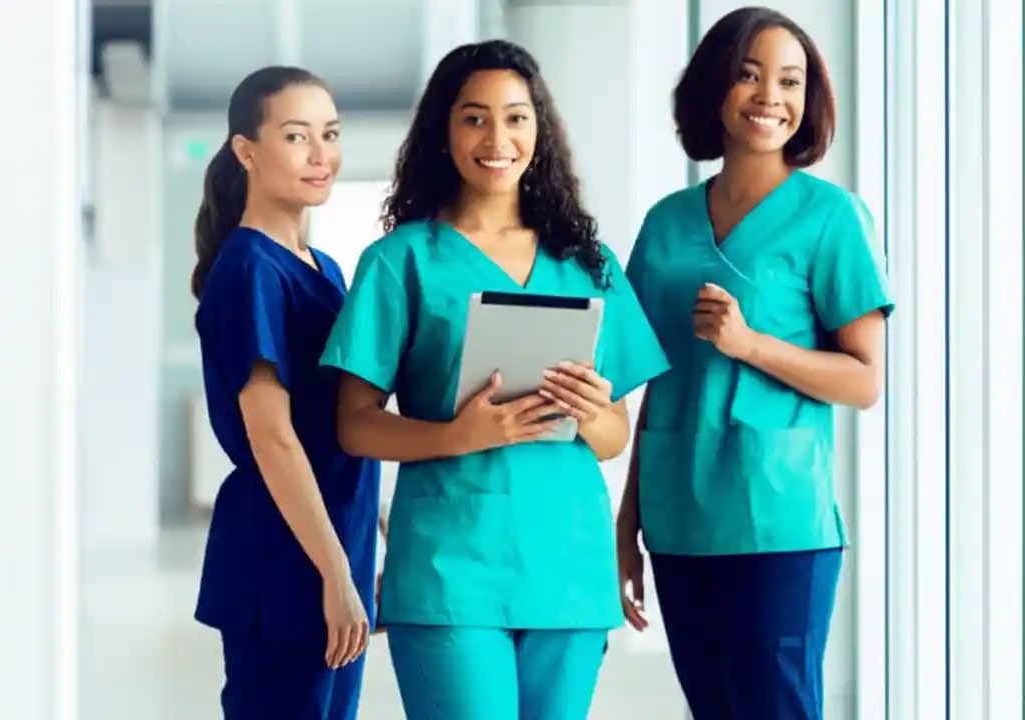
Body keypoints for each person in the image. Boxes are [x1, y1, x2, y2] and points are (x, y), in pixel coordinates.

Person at [320, 40, 668, 719]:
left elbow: (612, 436)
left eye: (516, 117)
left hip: (567, 566)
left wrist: (594, 409)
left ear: (539, 130)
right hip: (453, 567)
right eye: (474, 118)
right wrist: (458, 435)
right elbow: (354, 423)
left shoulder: (588, 263)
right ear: (443, 133)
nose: (497, 138)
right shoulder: (400, 261)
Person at [616, 8, 895, 720]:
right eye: (749, 75)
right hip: (679, 521)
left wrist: (751, 345)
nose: (771, 96)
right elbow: (655, 378)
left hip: (779, 523)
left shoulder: (832, 218)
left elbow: (864, 380)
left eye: (790, 81)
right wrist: (628, 523)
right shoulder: (667, 224)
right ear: (714, 87)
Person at [191, 66, 380, 720]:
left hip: (332, 541)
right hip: (284, 557)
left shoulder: (323, 269)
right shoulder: (248, 271)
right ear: (247, 151)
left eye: (329, 134)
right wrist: (335, 573)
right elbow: (272, 435)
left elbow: (337, 424)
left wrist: (375, 532)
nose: (321, 154)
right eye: (297, 136)